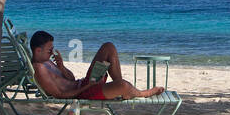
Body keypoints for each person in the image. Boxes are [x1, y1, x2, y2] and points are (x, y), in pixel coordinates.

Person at [29, 31, 166, 101]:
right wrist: (88, 86)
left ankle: (120, 89)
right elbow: (61, 95)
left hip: (83, 84)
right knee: (123, 85)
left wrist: (61, 67)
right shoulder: (39, 69)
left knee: (108, 47)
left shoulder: (46, 61)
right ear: (38, 51)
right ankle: (143, 93)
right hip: (83, 93)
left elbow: (71, 79)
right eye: (49, 50)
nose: (52, 52)